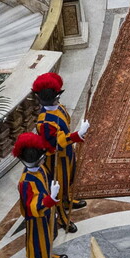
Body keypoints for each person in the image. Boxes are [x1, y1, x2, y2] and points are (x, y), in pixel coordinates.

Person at [33, 70, 89, 236]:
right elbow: (56, 142)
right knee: (58, 186)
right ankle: (62, 218)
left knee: (68, 179)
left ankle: (67, 200)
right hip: (56, 158)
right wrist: (77, 135)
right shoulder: (44, 122)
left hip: (67, 153)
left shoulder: (60, 108)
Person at [13, 131, 66, 258]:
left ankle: (47, 257)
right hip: (36, 219)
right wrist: (51, 199)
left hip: (47, 212)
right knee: (38, 245)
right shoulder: (26, 182)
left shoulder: (39, 169)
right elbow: (32, 207)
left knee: (50, 237)